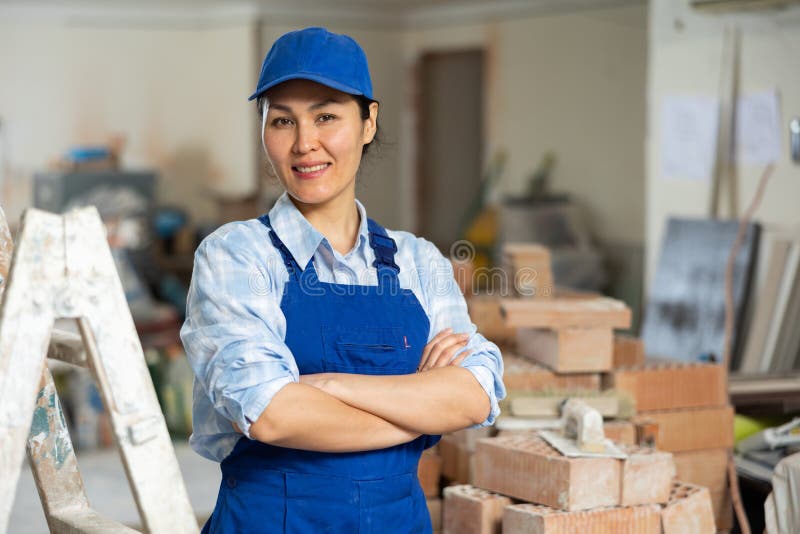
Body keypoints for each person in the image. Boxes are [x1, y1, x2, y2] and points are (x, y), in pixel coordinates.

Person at [181, 27, 506, 534]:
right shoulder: (235, 256)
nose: (304, 143)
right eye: (282, 120)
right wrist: (421, 401)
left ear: (368, 122)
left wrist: (327, 385)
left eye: (326, 116)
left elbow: (476, 395)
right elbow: (271, 414)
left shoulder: (418, 261)